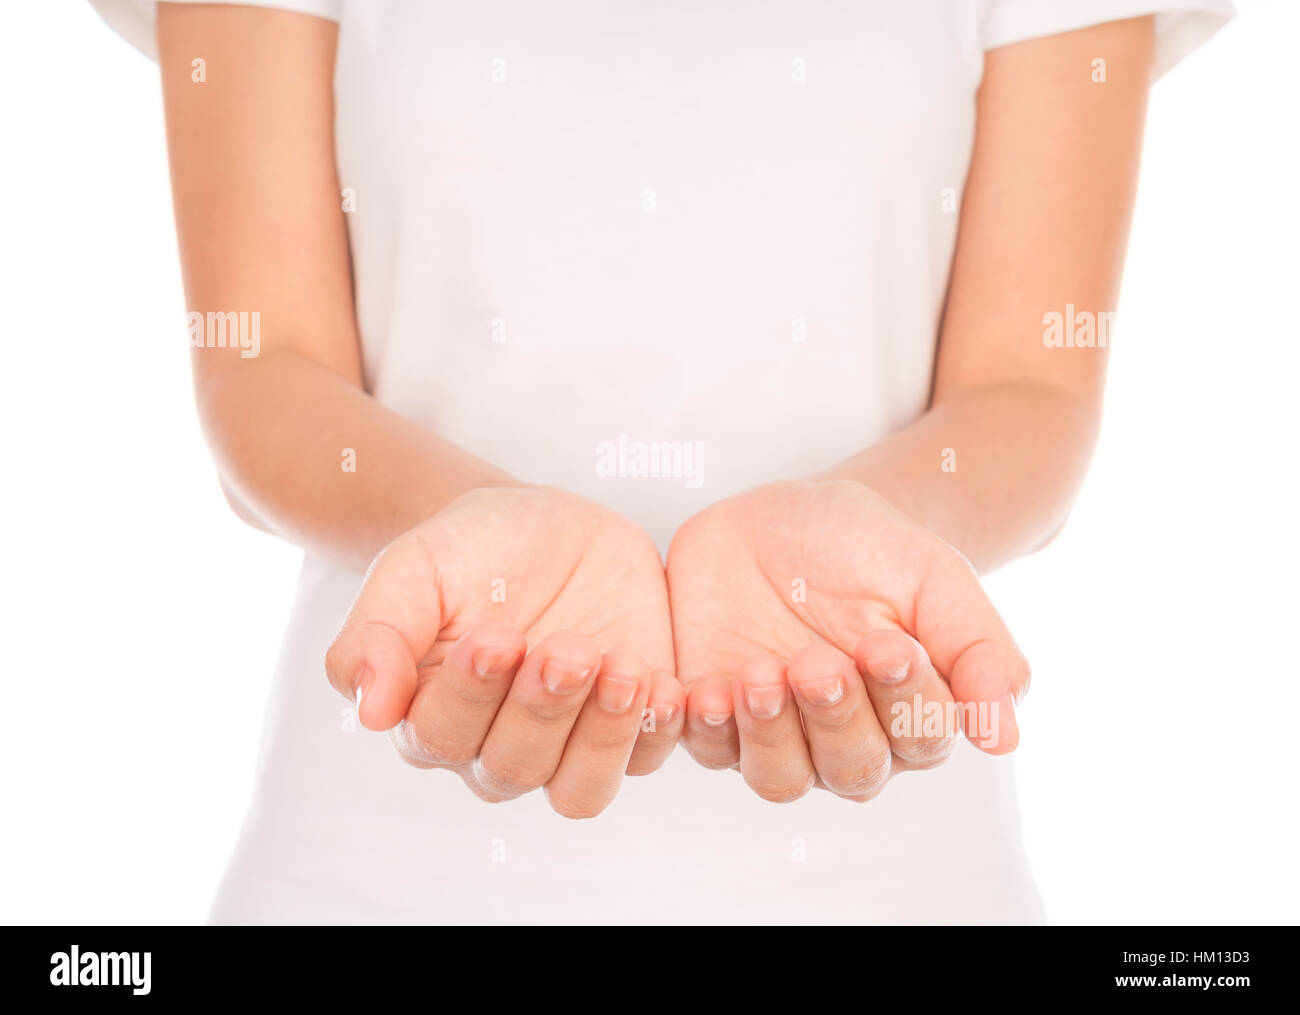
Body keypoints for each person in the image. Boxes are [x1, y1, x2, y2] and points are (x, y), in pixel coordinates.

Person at [89, 0, 1234, 923]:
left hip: (901, 882)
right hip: (368, 866)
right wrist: (471, 529)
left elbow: (1030, 387)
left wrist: (865, 533)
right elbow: (265, 364)